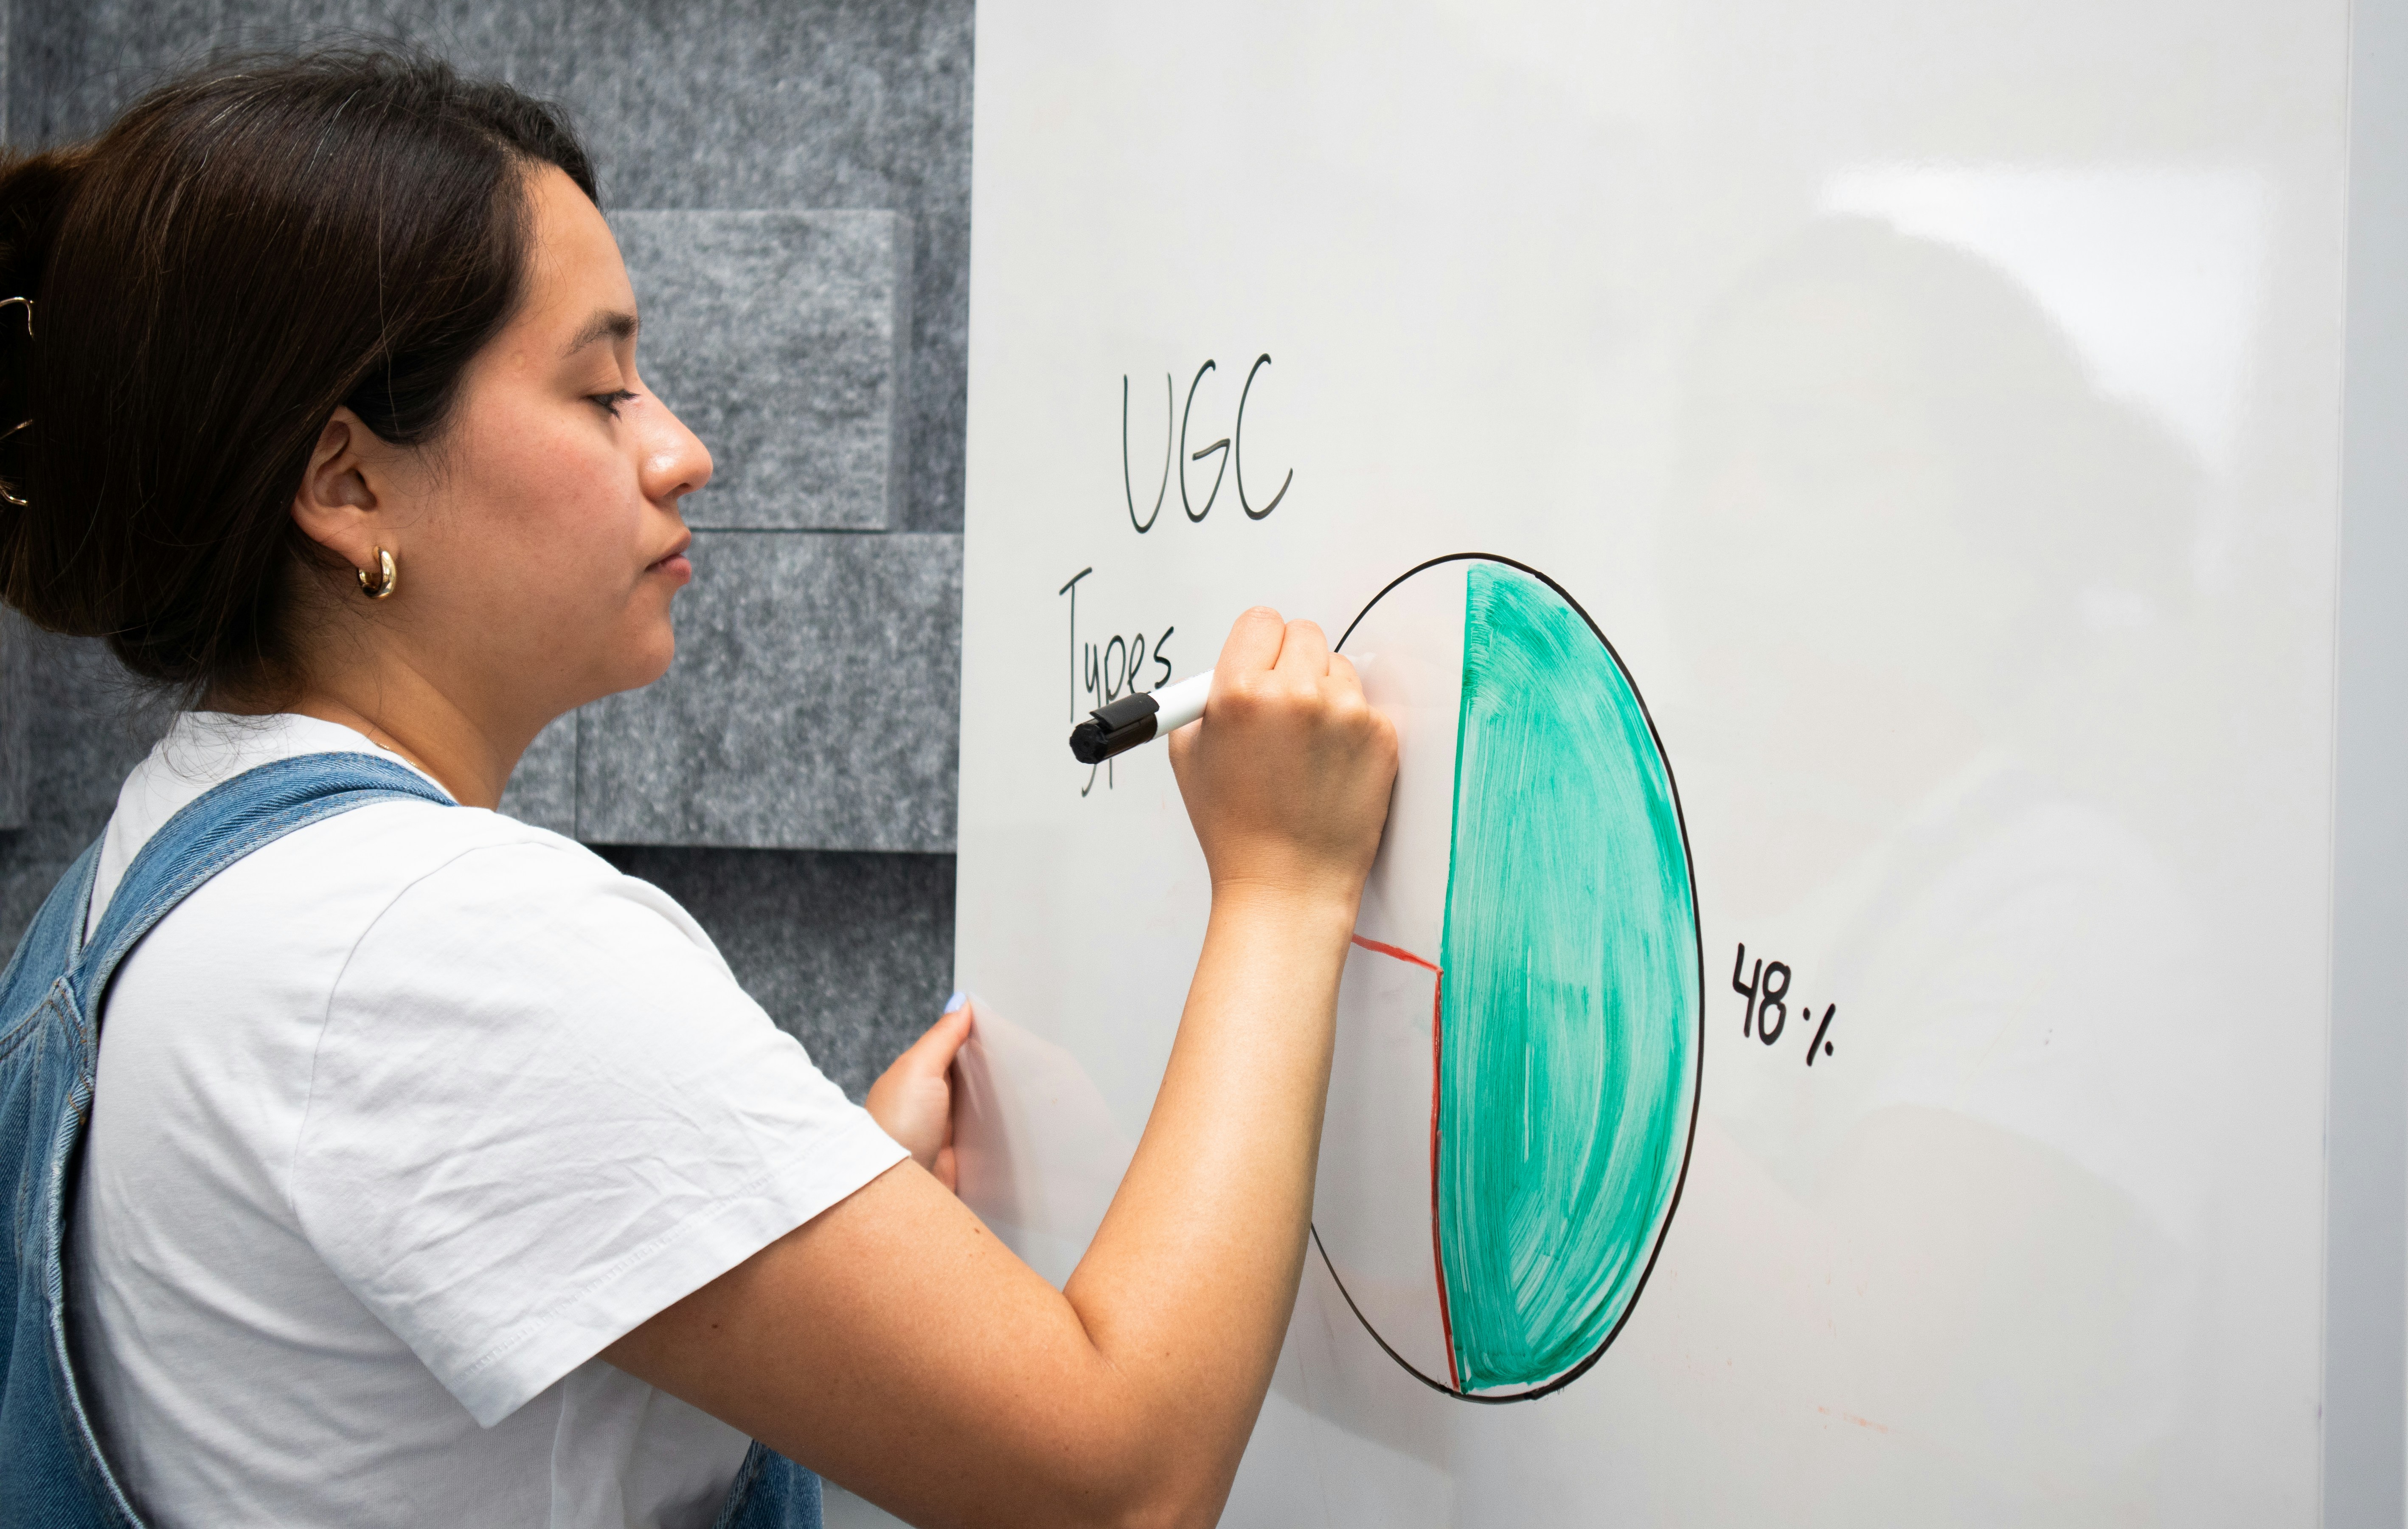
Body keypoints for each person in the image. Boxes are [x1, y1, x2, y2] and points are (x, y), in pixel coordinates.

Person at [0, 48, 1396, 1529]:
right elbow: (1120, 1481)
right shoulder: (428, 945)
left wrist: (764, 1198)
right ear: (347, 486)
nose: (682, 448)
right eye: (600, 388)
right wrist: (1282, 886)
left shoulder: (146, 886)